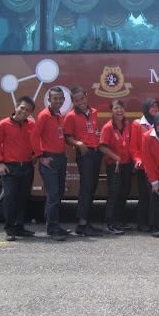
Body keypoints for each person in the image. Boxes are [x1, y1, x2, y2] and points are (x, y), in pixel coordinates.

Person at [0, 96, 36, 241]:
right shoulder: (3, 124)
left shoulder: (31, 125)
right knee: (10, 197)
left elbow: (36, 142)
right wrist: (0, 163)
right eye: (22, 108)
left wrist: (36, 154)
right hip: (10, 168)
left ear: (31, 113)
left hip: (27, 167)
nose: (24, 111)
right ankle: (10, 229)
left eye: (28, 110)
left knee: (23, 198)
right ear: (16, 107)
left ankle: (20, 227)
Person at [63, 86, 103, 236]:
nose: (80, 102)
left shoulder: (93, 112)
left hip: (95, 152)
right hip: (84, 154)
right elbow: (67, 137)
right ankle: (82, 224)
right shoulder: (71, 116)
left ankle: (87, 222)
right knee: (86, 187)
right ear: (73, 101)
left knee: (92, 186)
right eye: (76, 100)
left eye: (82, 98)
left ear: (86, 96)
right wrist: (79, 144)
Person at [30, 87, 69, 241]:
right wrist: (41, 156)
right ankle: (52, 228)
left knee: (59, 193)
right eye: (55, 98)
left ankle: (54, 224)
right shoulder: (44, 115)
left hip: (60, 158)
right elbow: (34, 137)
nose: (58, 101)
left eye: (61, 98)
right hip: (49, 159)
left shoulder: (59, 115)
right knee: (52, 195)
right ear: (49, 100)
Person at [99, 99, 132, 235]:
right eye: (116, 108)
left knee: (124, 194)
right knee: (114, 194)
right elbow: (102, 147)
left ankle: (119, 221)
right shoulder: (108, 127)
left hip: (126, 164)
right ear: (111, 111)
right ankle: (110, 224)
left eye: (121, 108)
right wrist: (116, 157)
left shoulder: (127, 124)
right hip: (114, 166)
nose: (119, 111)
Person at [132, 98, 158, 232]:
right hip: (143, 167)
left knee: (154, 196)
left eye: (155, 107)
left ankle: (152, 222)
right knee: (144, 195)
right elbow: (134, 147)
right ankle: (142, 223)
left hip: (156, 166)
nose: (154, 109)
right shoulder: (137, 125)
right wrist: (137, 160)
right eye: (151, 107)